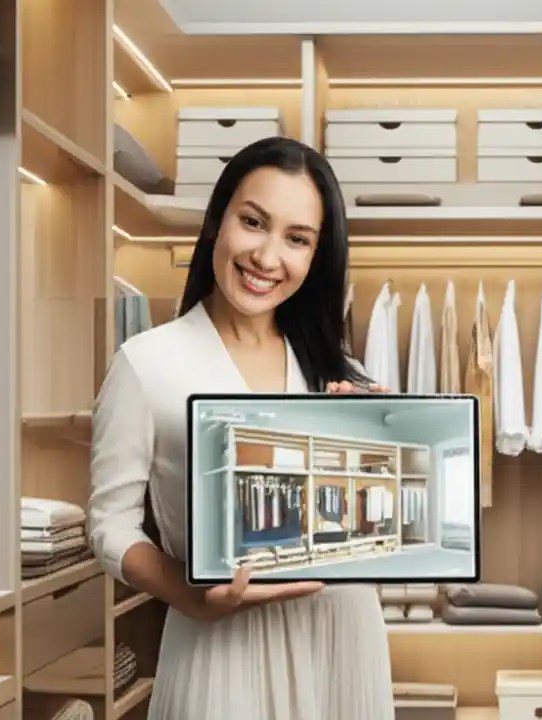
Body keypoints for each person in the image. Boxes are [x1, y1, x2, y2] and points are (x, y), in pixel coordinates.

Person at [88, 137, 395, 719]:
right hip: (220, 648)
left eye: (297, 238)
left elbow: (366, 525)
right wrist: (191, 598)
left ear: (316, 256)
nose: (267, 256)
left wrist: (381, 440)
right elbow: (108, 526)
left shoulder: (339, 372)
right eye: (254, 222)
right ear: (217, 222)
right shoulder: (146, 361)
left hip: (342, 640)